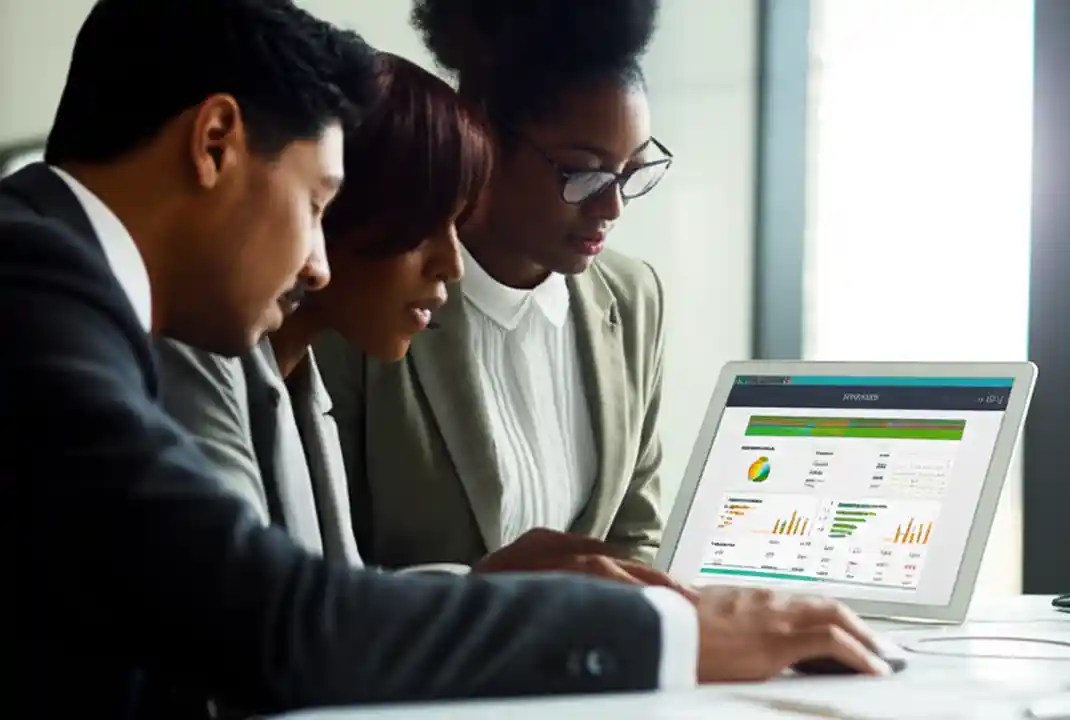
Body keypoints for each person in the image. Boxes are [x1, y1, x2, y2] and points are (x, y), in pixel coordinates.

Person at [0, 0, 890, 716]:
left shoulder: (82, 288)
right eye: (317, 203)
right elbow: (276, 623)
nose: (319, 263)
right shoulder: (33, 281)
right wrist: (672, 633)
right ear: (215, 142)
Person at [156, 51, 675, 588]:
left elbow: (327, 592)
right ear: (331, 212)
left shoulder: (301, 385)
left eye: (633, 171)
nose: (451, 266)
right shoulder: (201, 369)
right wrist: (493, 595)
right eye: (583, 171)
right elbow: (280, 618)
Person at [315, 0, 674, 570]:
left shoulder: (631, 297)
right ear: (481, 132)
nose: (613, 206)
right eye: (583, 172)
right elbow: (323, 567)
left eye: (632, 171)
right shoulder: (374, 294)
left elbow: (635, 534)